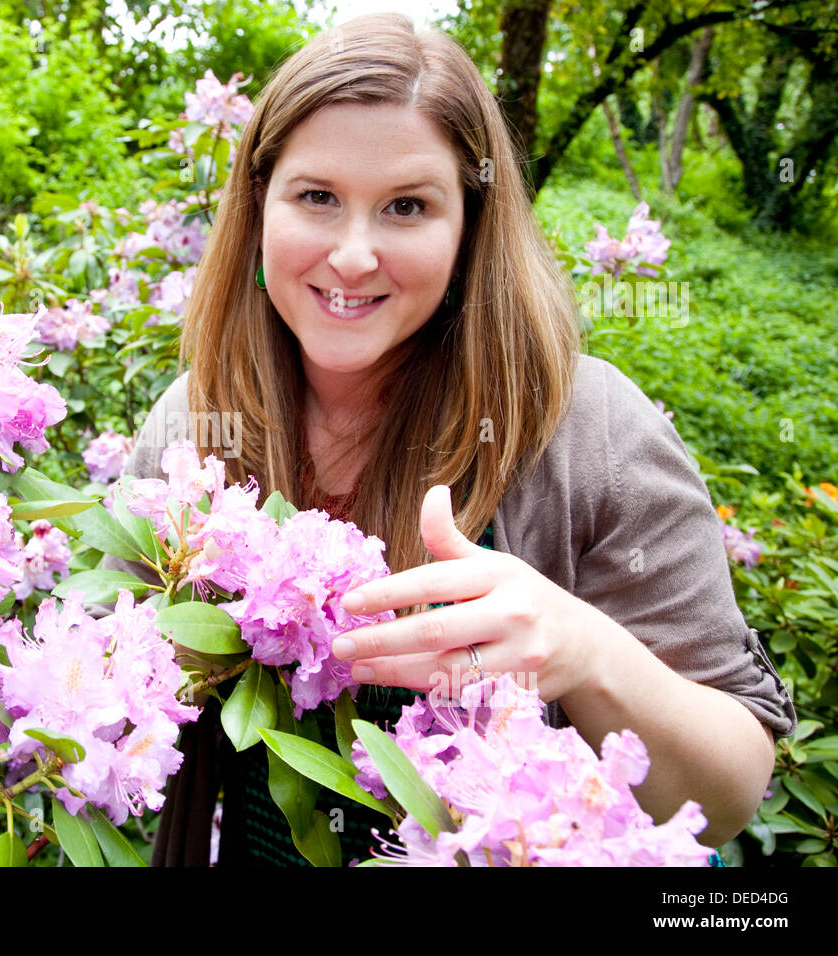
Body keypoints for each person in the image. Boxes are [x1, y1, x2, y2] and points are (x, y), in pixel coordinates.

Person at [110, 12, 795, 866]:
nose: (353, 256)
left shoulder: (589, 433)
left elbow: (727, 796)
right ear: (258, 208)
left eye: (407, 206)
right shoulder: (194, 422)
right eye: (316, 196)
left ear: (468, 229)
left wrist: (584, 655)